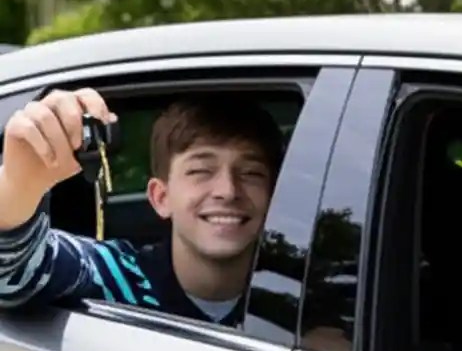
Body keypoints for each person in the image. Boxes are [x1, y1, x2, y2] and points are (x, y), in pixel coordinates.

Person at [0, 88, 282, 325]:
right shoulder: (117, 274)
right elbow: (13, 273)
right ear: (161, 198)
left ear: (275, 195)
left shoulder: (298, 294)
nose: (228, 191)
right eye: (201, 171)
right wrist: (18, 185)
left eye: (250, 173)